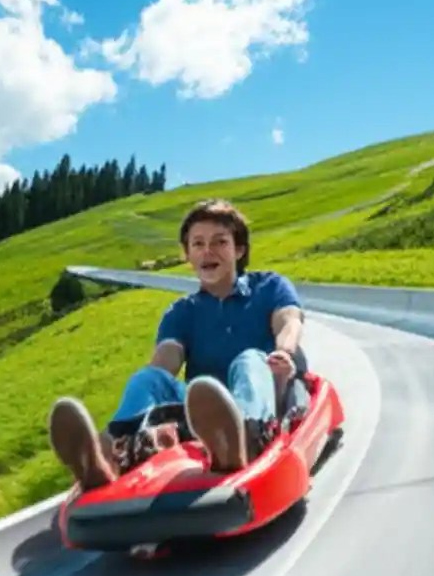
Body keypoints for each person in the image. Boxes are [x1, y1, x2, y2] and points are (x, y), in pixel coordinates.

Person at [48, 198, 306, 491]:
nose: (207, 251)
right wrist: (153, 384)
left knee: (247, 360)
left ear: (239, 249)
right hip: (204, 412)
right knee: (148, 377)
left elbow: (288, 320)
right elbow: (167, 357)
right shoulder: (182, 311)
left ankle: (243, 439)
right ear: (188, 255)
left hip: (264, 392)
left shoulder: (270, 286)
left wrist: (284, 352)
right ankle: (109, 454)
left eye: (219, 242)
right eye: (198, 244)